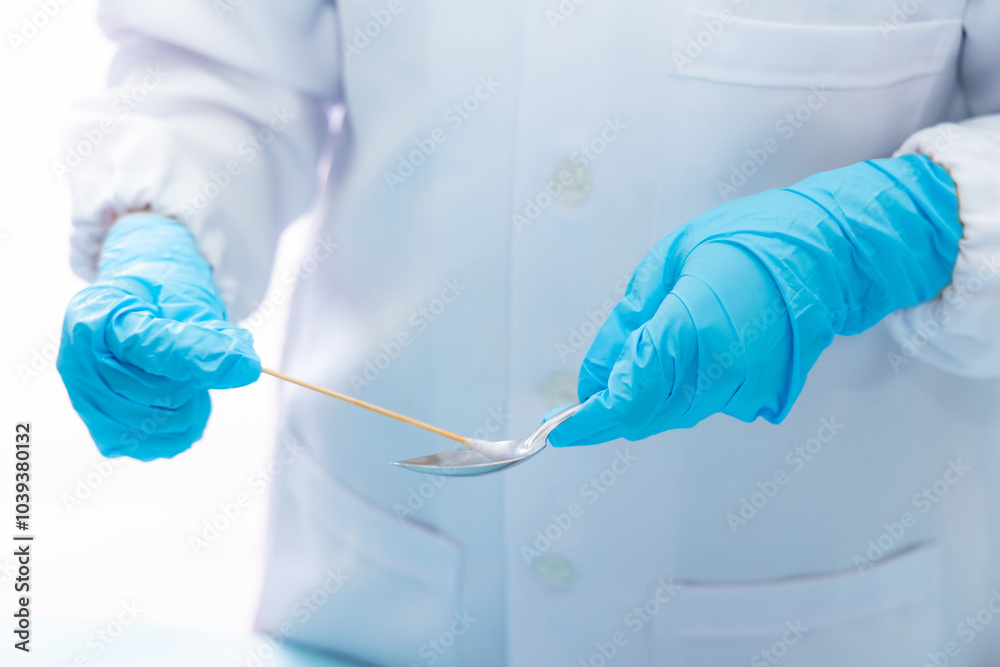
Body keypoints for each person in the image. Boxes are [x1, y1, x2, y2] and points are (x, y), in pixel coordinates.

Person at [57, 1, 1000, 665]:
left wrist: (910, 226)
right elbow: (219, 54)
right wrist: (161, 222)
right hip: (384, 584)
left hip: (839, 590)